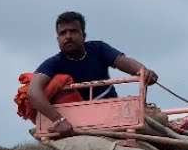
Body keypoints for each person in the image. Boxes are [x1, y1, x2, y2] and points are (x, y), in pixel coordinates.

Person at [27, 11, 159, 138]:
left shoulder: (99, 49)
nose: (68, 36)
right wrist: (58, 120)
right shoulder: (54, 63)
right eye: (63, 33)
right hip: (76, 123)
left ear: (83, 36)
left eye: (73, 31)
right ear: (58, 39)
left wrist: (144, 72)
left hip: (112, 115)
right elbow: (33, 92)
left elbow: (124, 62)